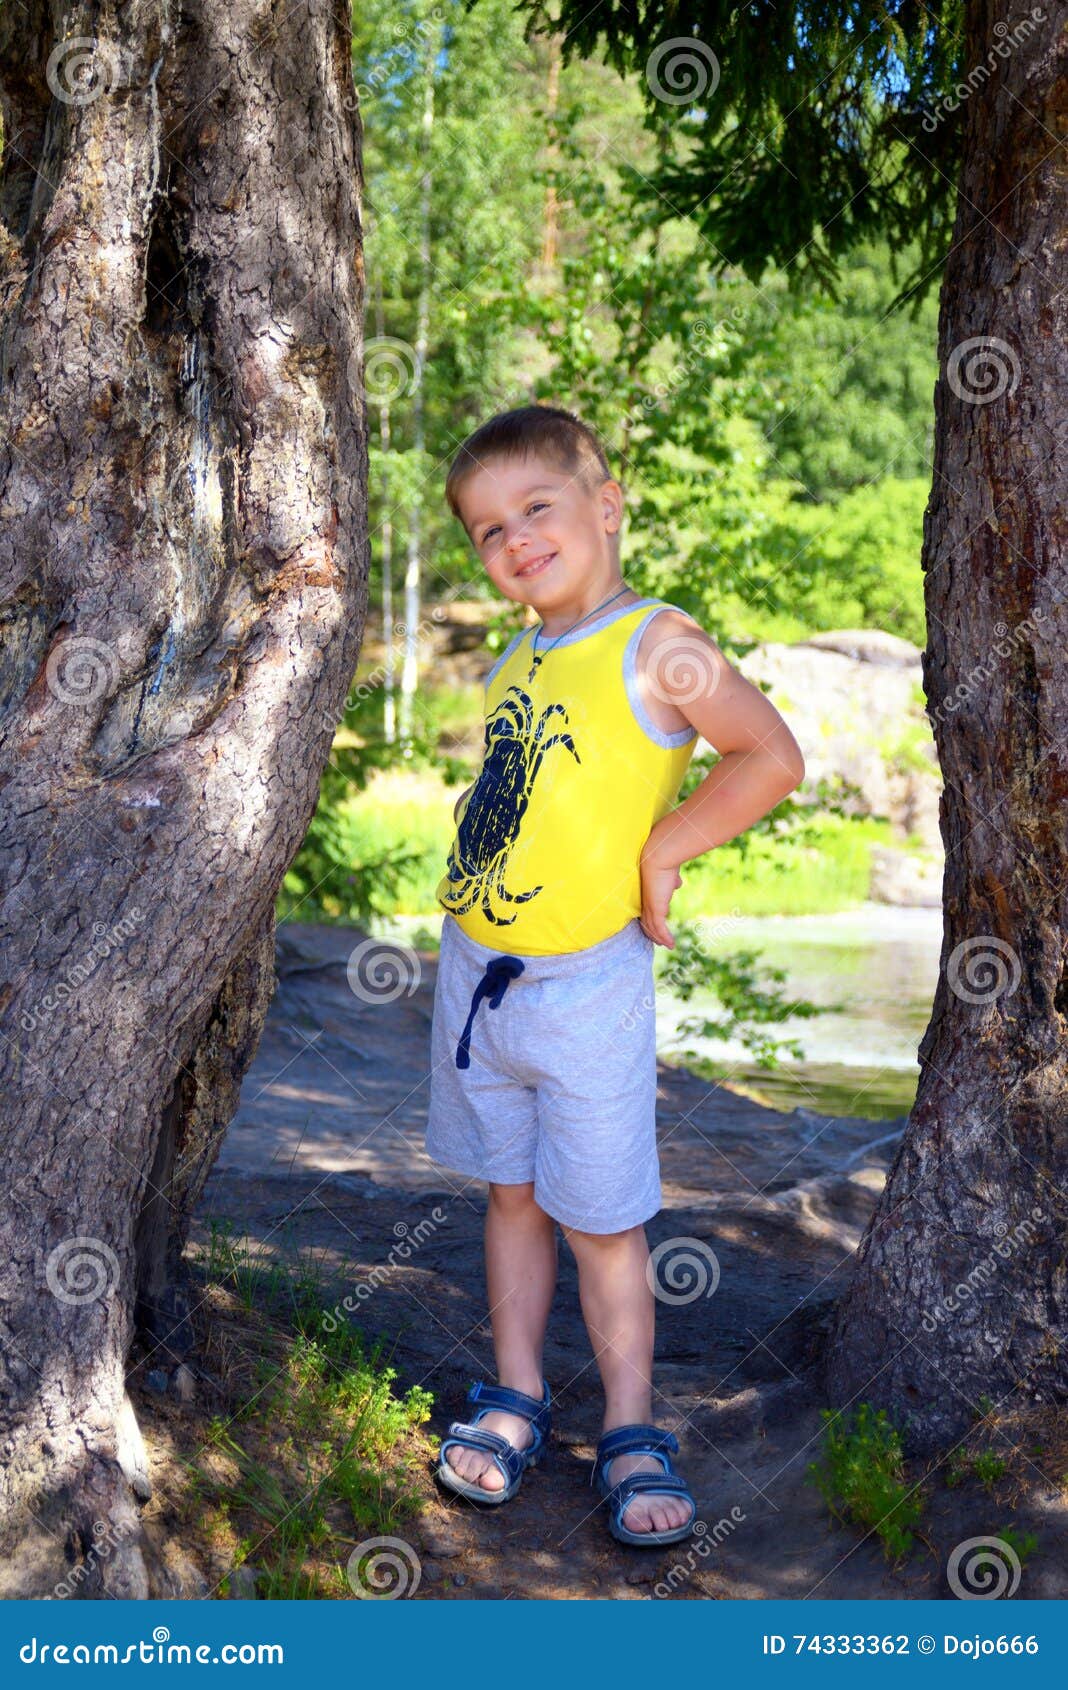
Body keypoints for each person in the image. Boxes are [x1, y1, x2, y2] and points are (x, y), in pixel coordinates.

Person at [424, 403, 805, 1545]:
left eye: (535, 507)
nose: (514, 540)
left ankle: (634, 1425)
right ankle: (518, 1395)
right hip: (477, 971)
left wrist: (665, 848)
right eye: (488, 530)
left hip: (587, 983)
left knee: (602, 1217)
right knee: (510, 1195)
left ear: (606, 502)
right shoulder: (518, 650)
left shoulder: (657, 639)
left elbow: (770, 755)